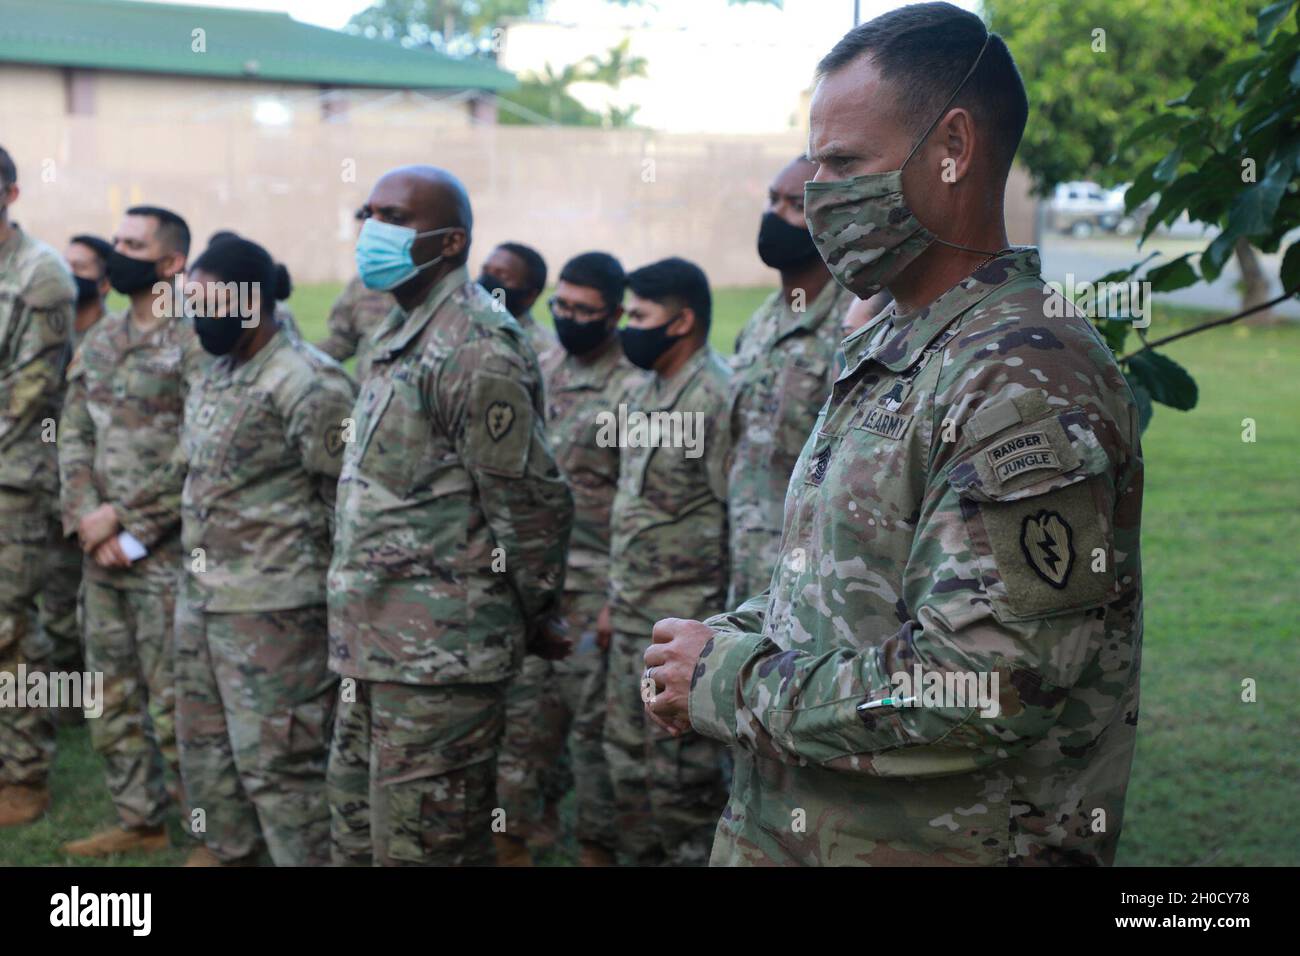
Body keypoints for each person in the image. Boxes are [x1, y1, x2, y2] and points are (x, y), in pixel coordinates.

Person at [643, 2, 1144, 867]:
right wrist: (727, 636)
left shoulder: (1024, 375)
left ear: (953, 147)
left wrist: (728, 680)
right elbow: (851, 586)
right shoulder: (900, 344)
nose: (817, 194)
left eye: (843, 163)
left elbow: (986, 686)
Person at [326, 166, 573, 866]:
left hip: (441, 661)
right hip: (373, 645)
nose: (372, 229)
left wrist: (536, 610)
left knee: (426, 849)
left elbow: (528, 503)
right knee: (355, 836)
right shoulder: (400, 329)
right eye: (370, 213)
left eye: (395, 218)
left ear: (450, 241)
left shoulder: (475, 345)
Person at [83, 238, 357, 866]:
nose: (196, 317)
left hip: (274, 612)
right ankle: (230, 853)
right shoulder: (219, 371)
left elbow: (346, 503)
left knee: (279, 766)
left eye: (208, 304)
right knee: (206, 750)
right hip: (203, 598)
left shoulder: (309, 383)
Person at [58, 205, 208, 856]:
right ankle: (140, 820)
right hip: (99, 551)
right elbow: (72, 434)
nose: (117, 253)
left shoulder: (197, 339)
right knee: (108, 694)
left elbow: (200, 447)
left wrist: (130, 521)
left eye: (133, 245)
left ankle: (210, 834)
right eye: (116, 241)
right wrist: (87, 519)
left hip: (167, 554)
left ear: (171, 263)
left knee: (178, 703)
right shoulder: (101, 340)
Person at [495, 252, 640, 867]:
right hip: (534, 584)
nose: (569, 318)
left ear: (614, 314)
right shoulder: (542, 365)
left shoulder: (635, 386)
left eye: (585, 310)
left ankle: (596, 847)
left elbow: (642, 502)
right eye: (561, 306)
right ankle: (515, 839)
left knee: (594, 736)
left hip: (595, 586)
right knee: (520, 727)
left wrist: (617, 597)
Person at [604, 256, 731, 866]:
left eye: (638, 316)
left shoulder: (718, 398)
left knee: (683, 789)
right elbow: (635, 507)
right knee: (628, 771)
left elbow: (742, 518)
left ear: (680, 322)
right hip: (633, 616)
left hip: (687, 630)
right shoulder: (641, 390)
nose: (626, 328)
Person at [726, 156, 855, 609]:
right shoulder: (760, 322)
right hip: (746, 574)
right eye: (771, 200)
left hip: (814, 584)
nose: (774, 215)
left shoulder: (854, 324)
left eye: (793, 205)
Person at [0, 145, 76, 827]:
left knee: (14, 631)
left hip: (16, 481)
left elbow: (28, 395)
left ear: (11, 194)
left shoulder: (41, 275)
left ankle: (25, 776)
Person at [41, 233, 114, 696]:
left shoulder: (111, 343)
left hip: (95, 491)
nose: (70, 275)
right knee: (51, 597)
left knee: (88, 605)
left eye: (82, 268)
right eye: (66, 265)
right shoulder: (49, 334)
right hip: (44, 483)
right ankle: (63, 698)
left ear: (105, 283)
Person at [318, 208, 394, 381]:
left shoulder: (428, 283)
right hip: (369, 392)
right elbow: (343, 342)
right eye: (363, 240)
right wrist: (302, 356)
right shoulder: (360, 286)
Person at [478, 242, 557, 358]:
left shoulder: (547, 352)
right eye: (485, 272)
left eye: (502, 276)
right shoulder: (461, 325)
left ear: (530, 295)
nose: (486, 280)